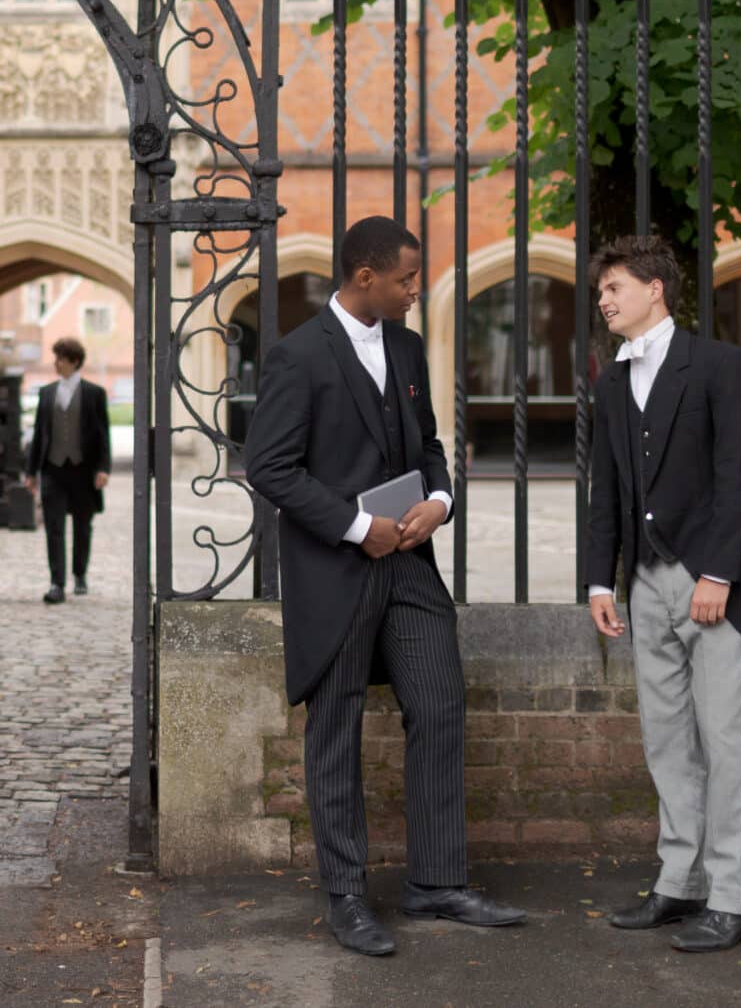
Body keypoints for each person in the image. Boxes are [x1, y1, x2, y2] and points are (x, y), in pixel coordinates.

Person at [242, 215, 523, 958]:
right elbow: (268, 467)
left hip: (410, 567)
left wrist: (441, 500)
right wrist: (353, 525)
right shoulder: (297, 356)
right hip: (336, 571)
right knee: (334, 730)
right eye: (405, 278)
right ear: (364, 276)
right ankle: (346, 894)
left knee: (439, 707)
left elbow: (427, 443)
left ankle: (436, 881)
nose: (414, 288)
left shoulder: (406, 345)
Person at [585, 235, 741, 955]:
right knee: (666, 742)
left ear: (655, 288)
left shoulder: (720, 365)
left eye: (614, 287)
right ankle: (681, 881)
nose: (604, 300)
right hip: (645, 584)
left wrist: (719, 573)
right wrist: (601, 579)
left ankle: (733, 898)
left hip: (710, 583)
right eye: (601, 291)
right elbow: (607, 488)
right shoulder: (611, 382)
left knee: (726, 745)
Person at [24, 337, 112, 604]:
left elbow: (102, 434)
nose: (56, 363)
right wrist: (31, 472)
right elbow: (39, 434)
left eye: (60, 359)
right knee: (54, 527)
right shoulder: (46, 393)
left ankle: (79, 574)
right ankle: (57, 583)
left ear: (74, 362)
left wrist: (103, 468)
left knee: (82, 526)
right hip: (53, 469)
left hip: (83, 470)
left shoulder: (94, 393)